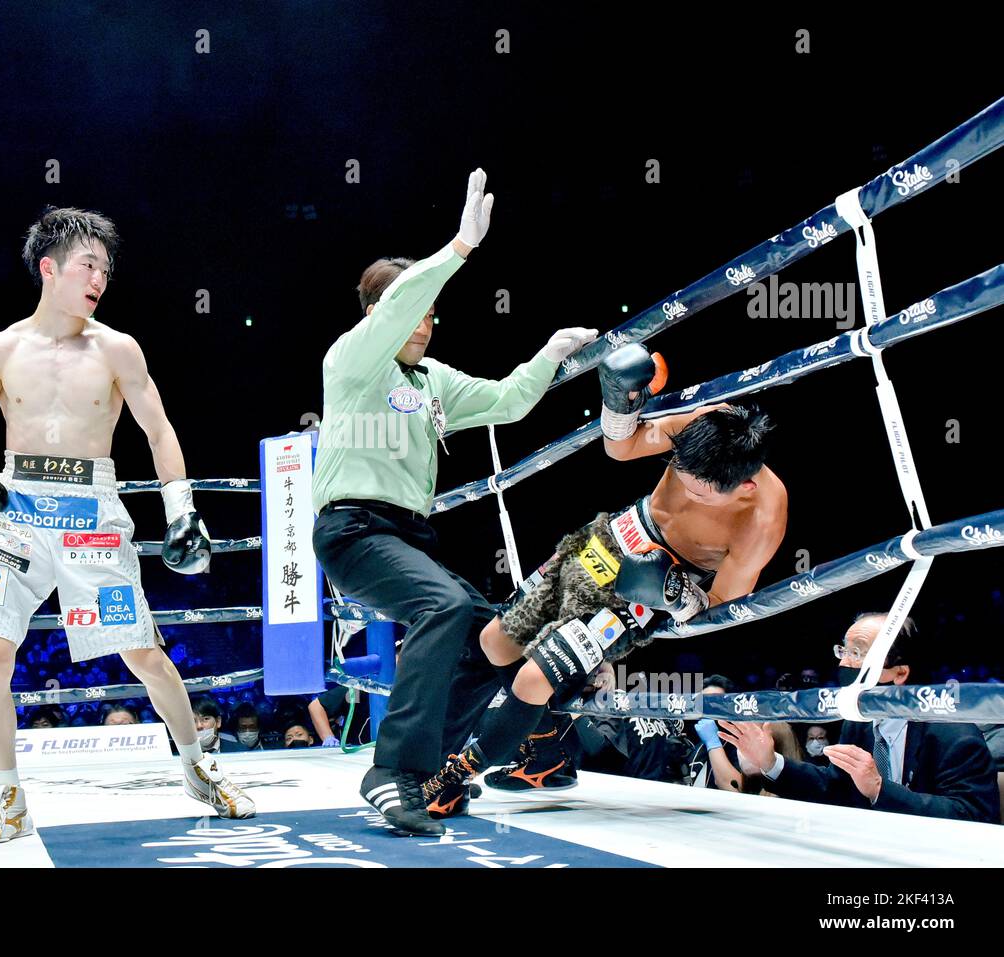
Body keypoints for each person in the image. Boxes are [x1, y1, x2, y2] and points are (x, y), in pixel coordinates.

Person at [0, 206, 253, 844]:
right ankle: (7, 797)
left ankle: (198, 767)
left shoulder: (118, 348)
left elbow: (157, 428)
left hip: (92, 511)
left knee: (143, 652)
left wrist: (181, 508)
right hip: (18, 512)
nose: (100, 279)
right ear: (49, 268)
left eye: (107, 270)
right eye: (89, 264)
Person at [311, 169, 598, 835]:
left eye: (432, 312)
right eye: (413, 309)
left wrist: (550, 353)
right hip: (354, 530)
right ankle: (394, 767)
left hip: (410, 537)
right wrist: (460, 248)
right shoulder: (352, 361)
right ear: (377, 316)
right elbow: (403, 298)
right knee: (444, 605)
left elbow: (505, 400)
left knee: (484, 626)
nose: (426, 321)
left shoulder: (434, 379)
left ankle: (424, 764)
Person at [422, 392, 787, 817]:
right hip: (610, 536)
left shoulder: (762, 520)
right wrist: (618, 406)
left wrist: (676, 594)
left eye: (701, 494)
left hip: (649, 585)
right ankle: (544, 757)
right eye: (680, 478)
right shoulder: (705, 426)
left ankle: (456, 776)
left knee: (531, 681)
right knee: (495, 642)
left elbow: (723, 605)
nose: (687, 495)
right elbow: (622, 448)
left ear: (743, 487)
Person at [719, 614, 999, 823]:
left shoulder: (953, 732)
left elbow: (974, 815)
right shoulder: (859, 721)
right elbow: (835, 786)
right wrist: (770, 762)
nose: (843, 663)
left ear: (899, 674)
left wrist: (879, 788)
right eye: (843, 651)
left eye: (857, 653)